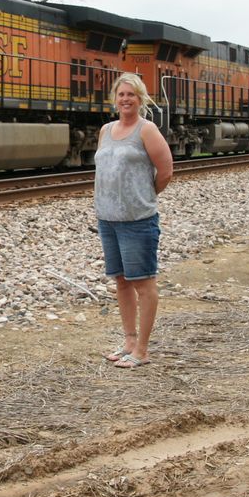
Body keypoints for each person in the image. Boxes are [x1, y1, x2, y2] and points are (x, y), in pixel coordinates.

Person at [94, 73, 173, 368]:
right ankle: (128, 341)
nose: (125, 99)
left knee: (143, 282)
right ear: (115, 98)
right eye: (121, 94)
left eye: (131, 94)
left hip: (137, 220)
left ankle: (141, 350)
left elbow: (165, 171)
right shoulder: (105, 130)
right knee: (122, 281)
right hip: (108, 219)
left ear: (140, 99)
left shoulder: (147, 130)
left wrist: (143, 197)